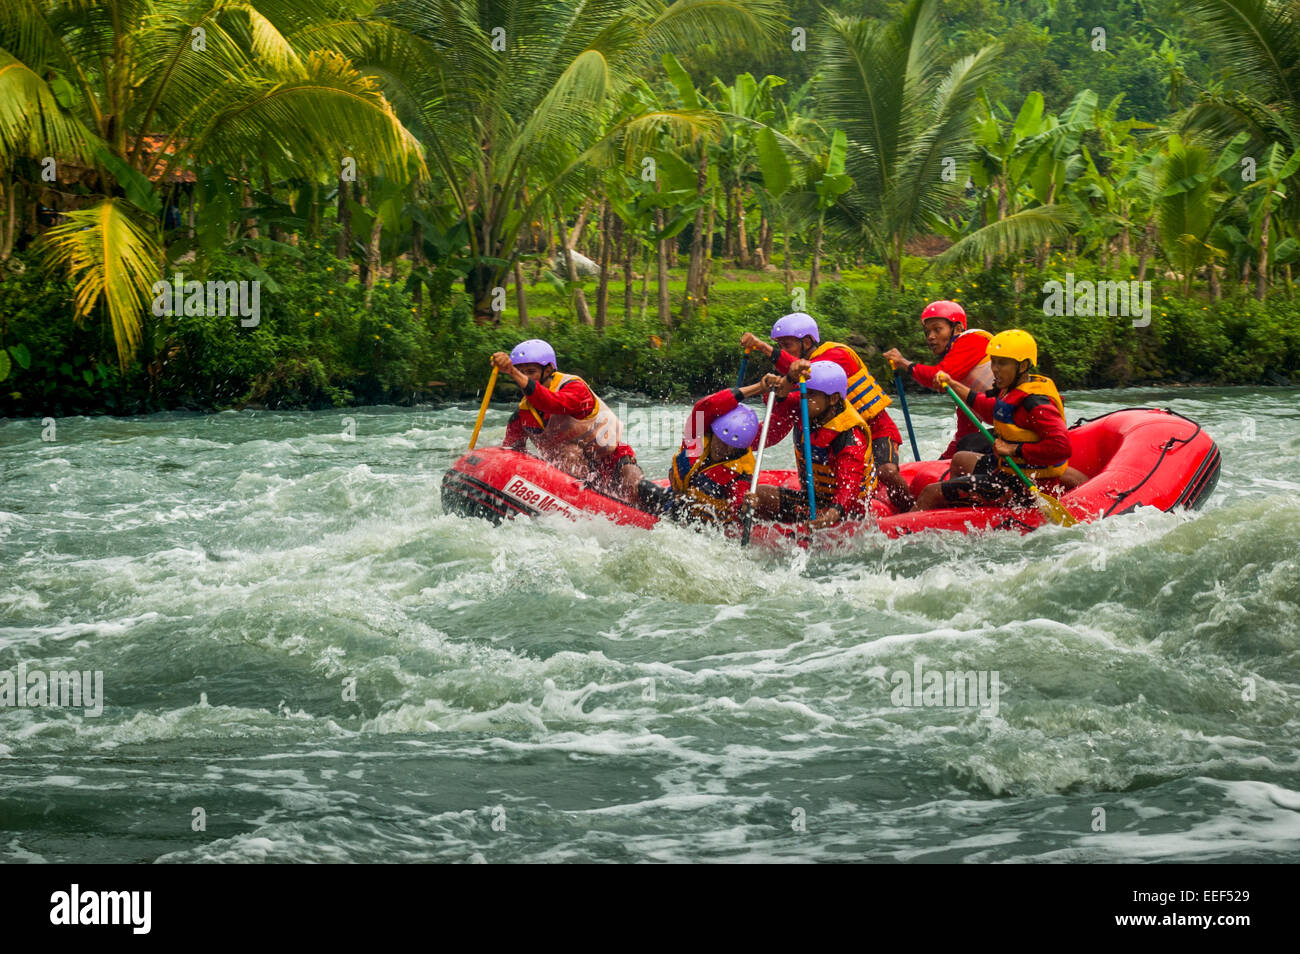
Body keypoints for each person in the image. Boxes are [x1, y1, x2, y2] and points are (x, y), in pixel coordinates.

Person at [741, 313, 914, 512]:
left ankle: (910, 512)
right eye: (780, 346)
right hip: (834, 442)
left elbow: (811, 372)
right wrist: (738, 442)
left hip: (875, 432)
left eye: (786, 345)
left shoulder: (836, 355)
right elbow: (778, 423)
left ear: (806, 342)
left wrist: (764, 348)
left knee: (887, 471)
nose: (783, 350)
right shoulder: (802, 384)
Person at [915, 330, 1074, 510]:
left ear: (1022, 366)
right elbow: (986, 405)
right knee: (961, 458)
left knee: (930, 492)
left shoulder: (1035, 404)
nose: (995, 369)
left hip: (1024, 488)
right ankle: (956, 512)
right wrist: (952, 383)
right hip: (1009, 473)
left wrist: (1013, 449)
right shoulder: (1011, 391)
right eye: (994, 362)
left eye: (1002, 363)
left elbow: (1062, 447)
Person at [492, 339, 644, 504]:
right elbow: (512, 453)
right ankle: (580, 502)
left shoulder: (575, 388)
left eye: (530, 371)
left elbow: (550, 402)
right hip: (569, 472)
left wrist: (513, 372)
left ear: (548, 369)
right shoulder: (522, 416)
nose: (525, 378)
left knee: (632, 479)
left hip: (610, 458)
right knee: (570, 452)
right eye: (521, 373)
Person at [746, 360, 876, 530]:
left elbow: (849, 487)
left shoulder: (847, 434)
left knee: (763, 497)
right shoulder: (808, 405)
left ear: (833, 399)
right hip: (814, 498)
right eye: (803, 393)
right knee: (758, 495)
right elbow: (778, 401)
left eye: (811, 394)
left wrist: (830, 516)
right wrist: (790, 378)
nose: (803, 399)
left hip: (849, 508)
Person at [650, 375, 782, 525]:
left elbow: (738, 500)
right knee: (639, 487)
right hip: (673, 499)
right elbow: (705, 406)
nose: (722, 448)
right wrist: (759, 387)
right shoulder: (695, 438)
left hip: (704, 526)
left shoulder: (742, 471)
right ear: (713, 432)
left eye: (729, 445)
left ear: (738, 449)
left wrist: (745, 507)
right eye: (720, 440)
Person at [882, 299, 994, 459]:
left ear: (958, 328)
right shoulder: (960, 376)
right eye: (927, 332)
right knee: (965, 445)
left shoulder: (973, 340)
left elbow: (938, 378)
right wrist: (940, 463)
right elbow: (965, 430)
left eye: (937, 329)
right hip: (1007, 430)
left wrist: (905, 363)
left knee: (968, 446)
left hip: (1020, 429)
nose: (931, 337)